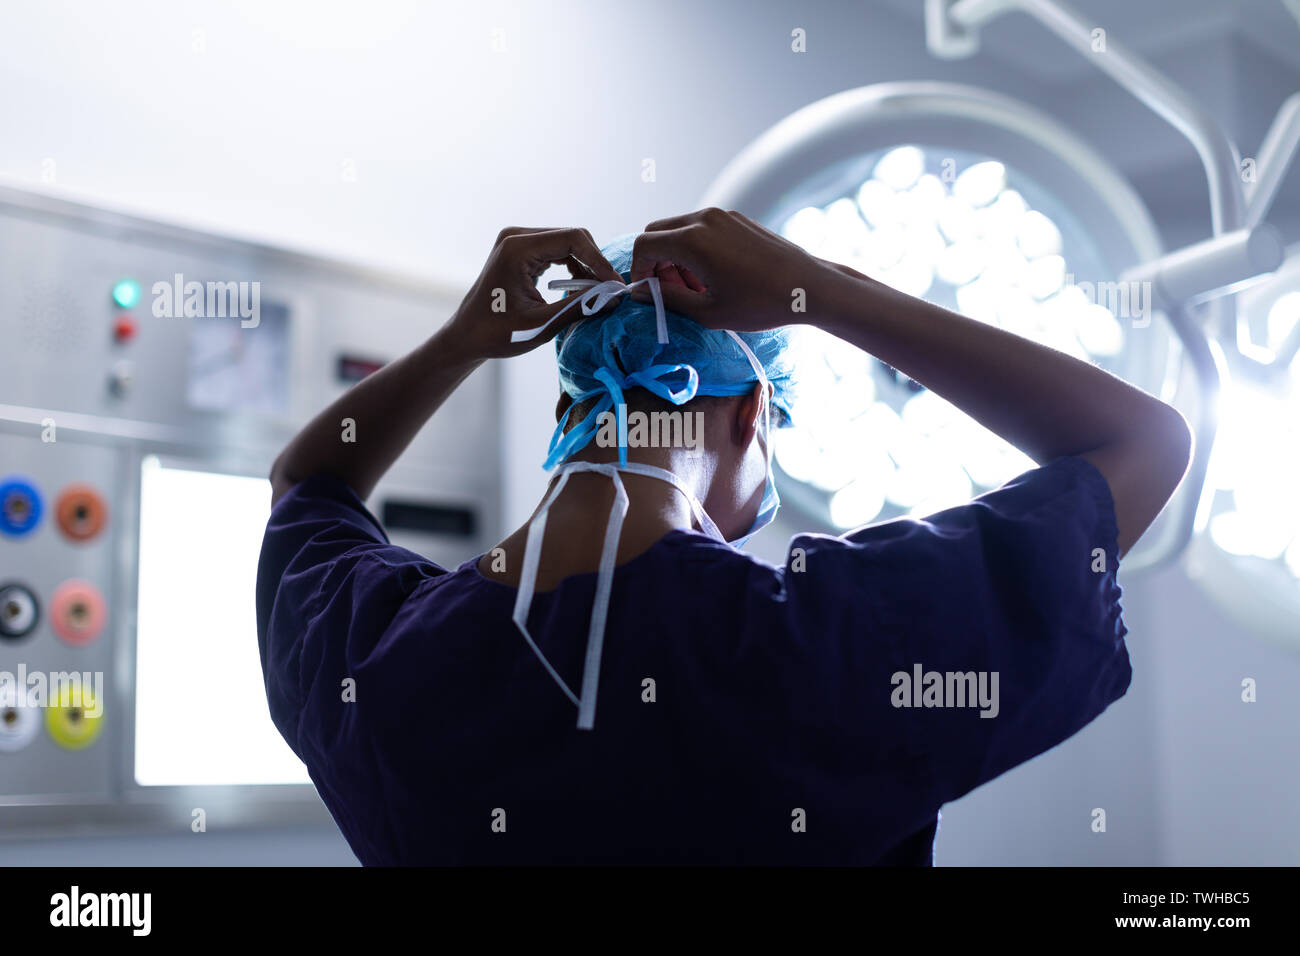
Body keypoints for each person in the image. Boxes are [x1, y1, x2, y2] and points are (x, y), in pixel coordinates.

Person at [256, 209, 1192, 865]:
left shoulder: (374, 657)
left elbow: (307, 480)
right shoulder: (833, 641)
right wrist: (826, 293)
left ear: (564, 406)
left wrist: (461, 340)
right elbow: (1145, 441)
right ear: (754, 414)